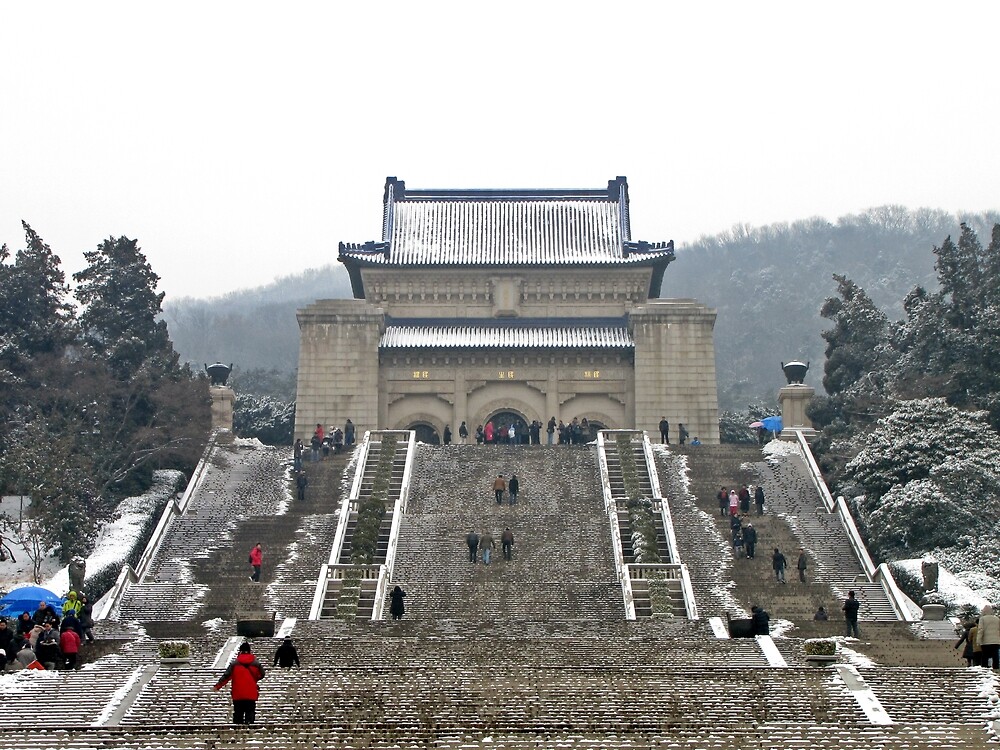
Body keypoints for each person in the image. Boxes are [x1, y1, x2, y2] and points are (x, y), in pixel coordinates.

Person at [214, 641, 265, 725]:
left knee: (238, 714)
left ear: (240, 651)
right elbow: (262, 674)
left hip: (238, 693)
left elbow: (226, 676)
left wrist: (217, 686)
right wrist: (254, 680)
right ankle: (249, 731)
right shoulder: (256, 663)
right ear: (249, 651)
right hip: (251, 693)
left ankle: (237, 732)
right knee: (250, 713)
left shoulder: (235, 664)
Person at [978, 604, 1000, 668]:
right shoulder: (997, 619)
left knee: (985, 656)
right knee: (995, 656)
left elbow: (980, 630)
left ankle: (984, 669)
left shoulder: (982, 619)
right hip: (996, 641)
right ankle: (996, 669)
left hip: (985, 641)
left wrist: (978, 640)